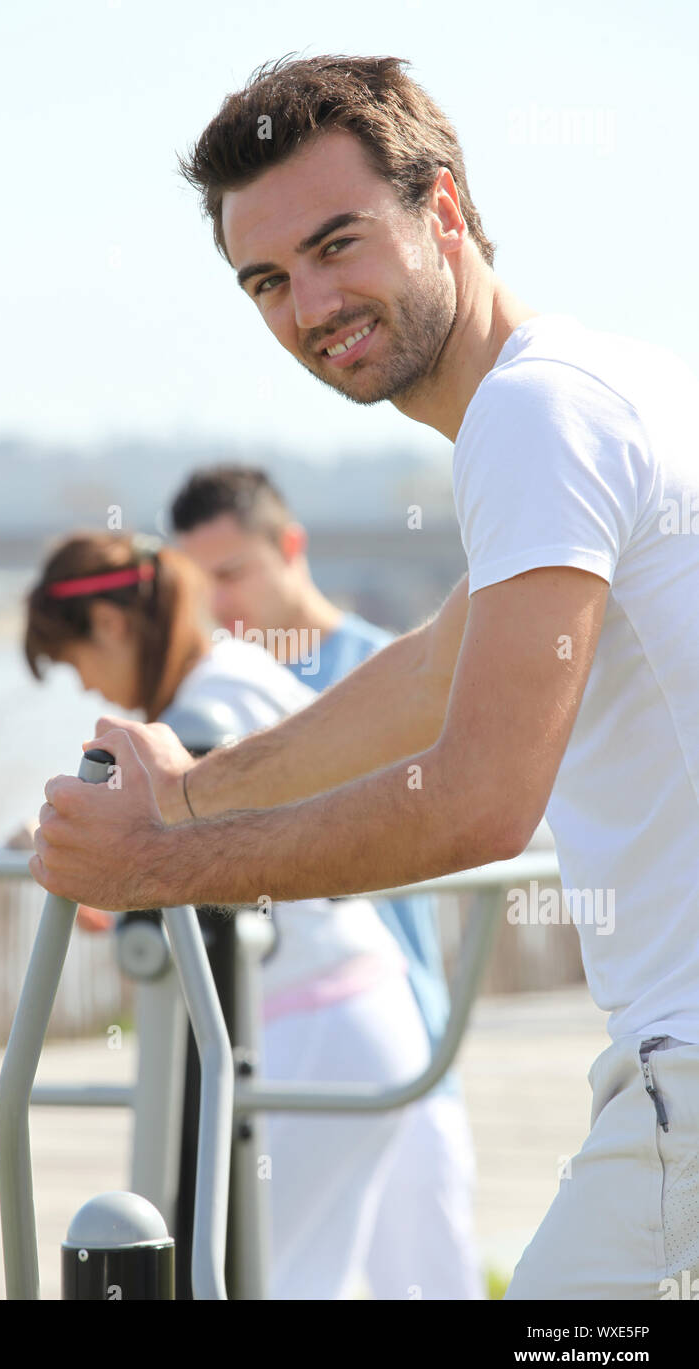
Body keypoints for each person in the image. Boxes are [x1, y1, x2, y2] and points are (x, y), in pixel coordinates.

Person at [30, 55, 699, 1299]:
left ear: (442, 211)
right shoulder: (608, 384)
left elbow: (475, 800)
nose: (310, 304)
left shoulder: (531, 417)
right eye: (267, 281)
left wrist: (153, 868)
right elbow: (426, 671)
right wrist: (186, 790)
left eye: (338, 244)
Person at [23, 528, 432, 1299]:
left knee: (256, 1282)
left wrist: (75, 854)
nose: (83, 687)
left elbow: (179, 836)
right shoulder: (239, 672)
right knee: (306, 1277)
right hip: (355, 1007)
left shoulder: (204, 711)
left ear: (110, 626)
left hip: (312, 1022)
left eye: (73, 661)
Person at [169, 462, 482, 1299]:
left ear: (290, 547)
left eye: (234, 572)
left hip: (407, 1025)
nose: (222, 601)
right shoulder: (211, 694)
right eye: (202, 584)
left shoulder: (394, 673)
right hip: (281, 1046)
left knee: (431, 1284)